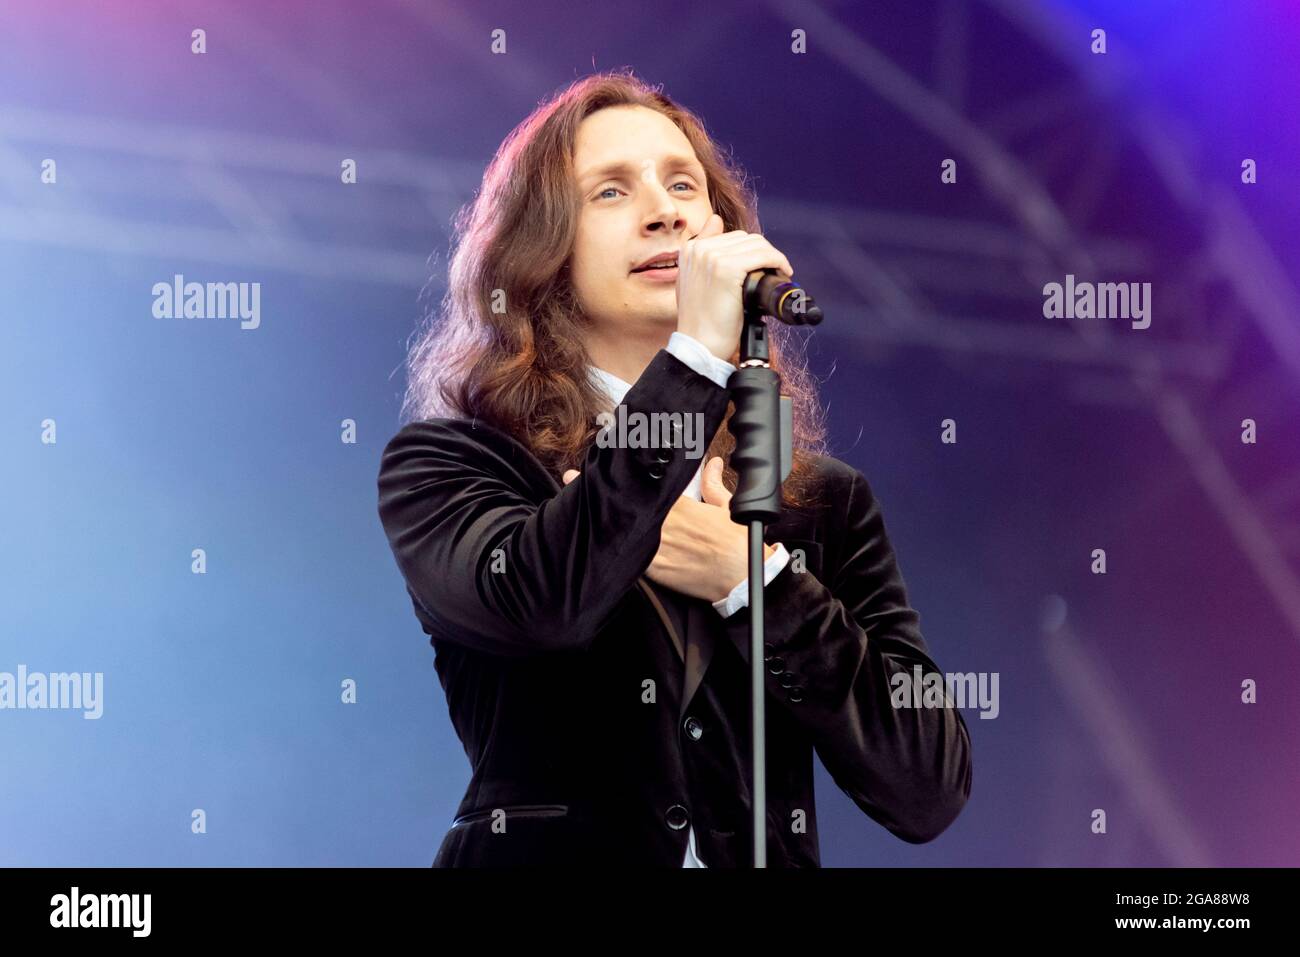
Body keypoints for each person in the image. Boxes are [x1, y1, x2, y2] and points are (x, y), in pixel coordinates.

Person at [376, 69, 972, 867]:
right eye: (611, 192)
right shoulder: (456, 463)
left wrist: (752, 579)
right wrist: (692, 356)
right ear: (541, 246)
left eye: (683, 183)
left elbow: (927, 781)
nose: (665, 210)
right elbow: (545, 604)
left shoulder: (823, 503)